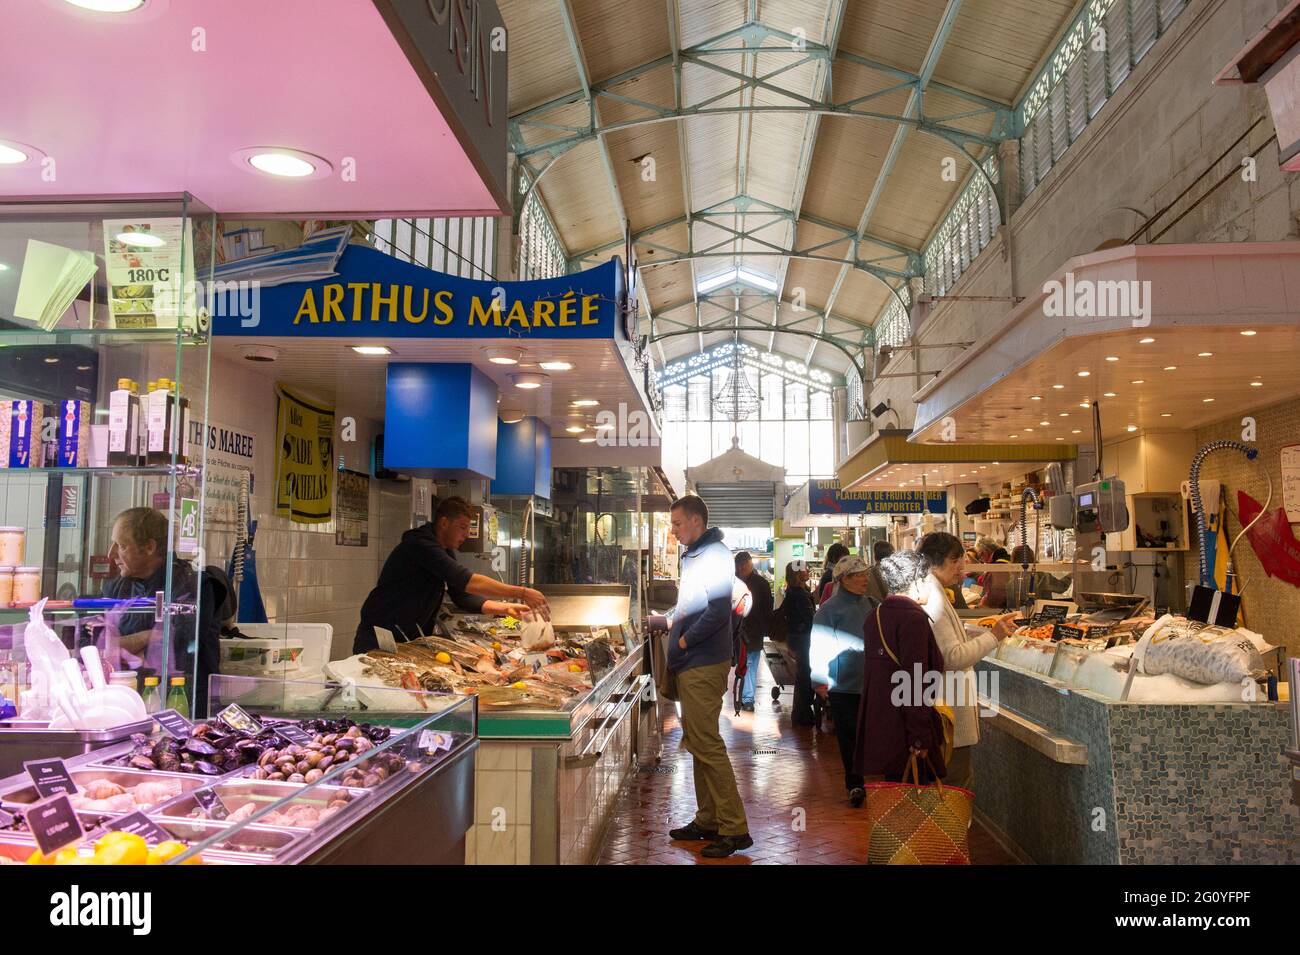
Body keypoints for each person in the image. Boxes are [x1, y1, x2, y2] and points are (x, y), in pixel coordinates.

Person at [664, 495, 752, 858]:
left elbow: (716, 611)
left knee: (707, 744)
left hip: (701, 662)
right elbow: (694, 604)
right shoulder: (697, 554)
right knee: (699, 742)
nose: (673, 531)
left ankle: (734, 828)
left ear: (696, 521)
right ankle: (708, 819)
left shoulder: (714, 555)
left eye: (677, 523)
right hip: (692, 662)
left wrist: (685, 640)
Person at [354, 496, 549, 653]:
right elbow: (466, 581)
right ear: (444, 522)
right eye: (462, 527)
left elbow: (462, 596)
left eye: (468, 528)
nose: (466, 534)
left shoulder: (444, 549)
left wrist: (506, 609)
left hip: (408, 637)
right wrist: (522, 592)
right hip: (381, 634)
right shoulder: (420, 544)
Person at [917, 532, 1015, 790]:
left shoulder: (932, 590)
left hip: (946, 709)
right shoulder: (934, 598)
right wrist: (994, 636)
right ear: (934, 561)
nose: (961, 567)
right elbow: (951, 657)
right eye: (954, 560)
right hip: (949, 715)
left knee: (952, 785)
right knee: (955, 787)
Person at [101, 507, 220, 716]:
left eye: (122, 546)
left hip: (183, 705)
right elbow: (99, 648)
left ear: (149, 547)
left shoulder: (194, 586)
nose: (111, 555)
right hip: (128, 703)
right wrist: (147, 636)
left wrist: (124, 646)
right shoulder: (117, 588)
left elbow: (174, 647)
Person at [854, 550, 948, 785]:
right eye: (927, 580)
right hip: (906, 731)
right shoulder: (913, 619)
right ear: (916, 581)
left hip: (883, 724)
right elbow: (914, 681)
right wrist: (919, 737)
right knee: (914, 797)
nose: (930, 587)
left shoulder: (874, 616)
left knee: (894, 794)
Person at [809, 555, 876, 806]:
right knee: (848, 736)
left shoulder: (872, 604)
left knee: (867, 735)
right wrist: (819, 682)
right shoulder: (829, 610)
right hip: (843, 685)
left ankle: (869, 779)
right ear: (844, 579)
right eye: (859, 575)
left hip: (870, 683)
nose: (865, 579)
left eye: (866, 574)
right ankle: (855, 783)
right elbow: (818, 646)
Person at [734, 551, 772, 712]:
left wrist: (763, 628)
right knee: (744, 663)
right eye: (739, 565)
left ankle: (747, 698)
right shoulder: (733, 582)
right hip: (737, 632)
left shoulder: (760, 583)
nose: (741, 568)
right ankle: (744, 696)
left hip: (753, 632)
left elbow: (767, 610)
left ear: (750, 564)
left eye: (744, 565)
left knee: (749, 663)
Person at [782, 560, 817, 727]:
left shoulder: (791, 592)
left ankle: (800, 713)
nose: (807, 571)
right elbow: (809, 618)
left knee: (802, 675)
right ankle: (803, 713)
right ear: (798, 574)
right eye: (804, 569)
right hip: (804, 639)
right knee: (804, 675)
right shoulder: (800, 594)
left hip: (796, 637)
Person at [975, 536, 1013, 609]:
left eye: (980, 554)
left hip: (999, 609)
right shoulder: (998, 562)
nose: (980, 559)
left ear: (987, 551)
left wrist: (982, 605)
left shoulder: (999, 565)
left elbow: (998, 594)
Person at [862, 540, 893, 604]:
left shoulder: (866, 574)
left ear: (875, 556)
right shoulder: (893, 574)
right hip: (889, 607)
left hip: (872, 608)